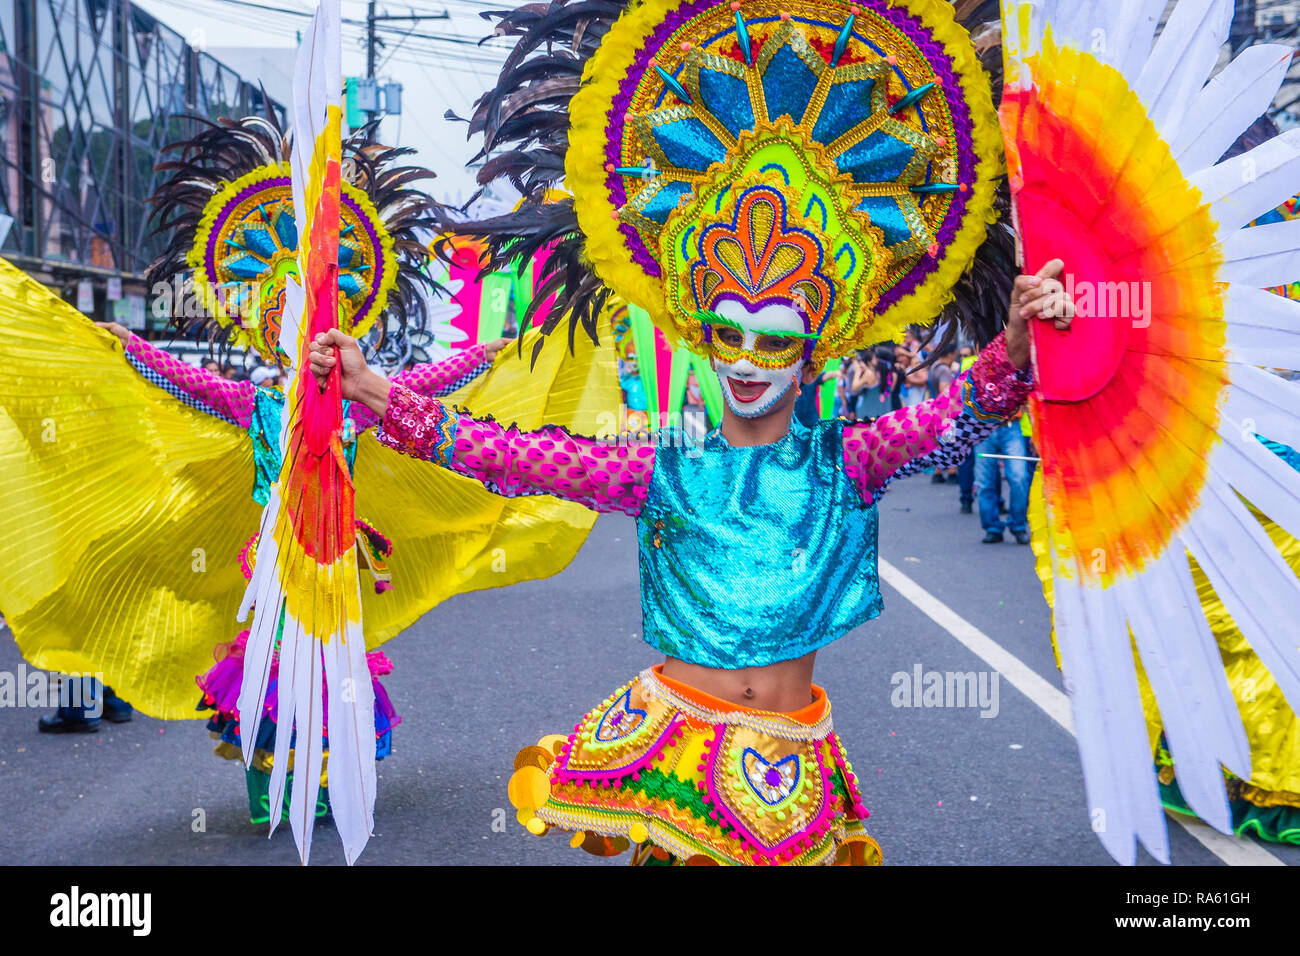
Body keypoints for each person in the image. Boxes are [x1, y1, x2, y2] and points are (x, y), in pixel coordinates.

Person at [307, 0, 1082, 865]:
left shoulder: (848, 464)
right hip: (678, 756)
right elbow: (512, 455)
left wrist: (1015, 346)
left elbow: (956, 417)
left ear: (812, 353)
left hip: (796, 768)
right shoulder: (659, 469)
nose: (749, 359)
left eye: (774, 339)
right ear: (706, 343)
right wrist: (379, 393)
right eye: (730, 335)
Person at [974, 404, 1031, 544]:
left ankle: (1018, 525)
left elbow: (1029, 396)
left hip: (1011, 427)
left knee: (1019, 477)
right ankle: (992, 528)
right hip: (982, 428)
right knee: (985, 482)